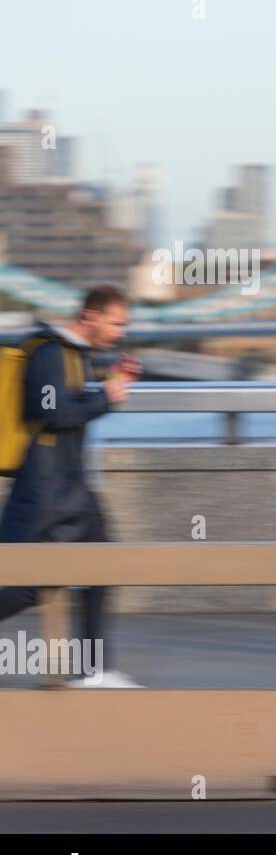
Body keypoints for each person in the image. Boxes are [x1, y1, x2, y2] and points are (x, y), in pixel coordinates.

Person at [0, 285, 141, 687]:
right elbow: (49, 413)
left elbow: (67, 407)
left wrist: (107, 387)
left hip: (71, 490)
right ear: (90, 317)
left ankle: (94, 670)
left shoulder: (75, 355)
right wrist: (106, 398)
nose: (121, 332)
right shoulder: (49, 353)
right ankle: (92, 670)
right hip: (47, 493)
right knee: (32, 584)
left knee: (101, 567)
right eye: (116, 323)